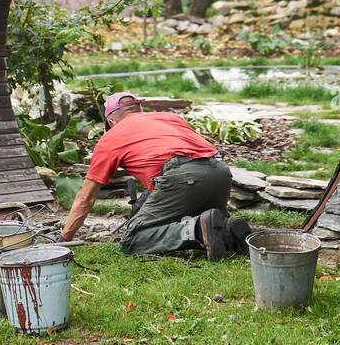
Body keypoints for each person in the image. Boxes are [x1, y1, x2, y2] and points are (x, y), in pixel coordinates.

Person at [59, 92, 251, 259]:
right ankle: (226, 230)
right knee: (200, 219)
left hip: (186, 179)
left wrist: (65, 238)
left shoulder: (112, 136)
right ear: (138, 110)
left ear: (111, 121)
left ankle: (198, 230)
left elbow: (86, 198)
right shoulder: (170, 118)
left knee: (133, 239)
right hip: (220, 172)